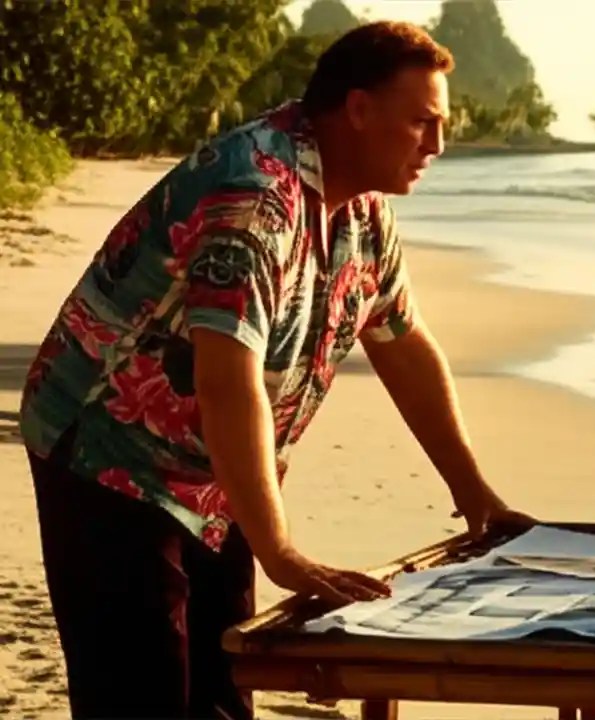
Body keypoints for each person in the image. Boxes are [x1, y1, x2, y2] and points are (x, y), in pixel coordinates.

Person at [19, 21, 533, 720]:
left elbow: (402, 342)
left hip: (213, 467)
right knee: (142, 691)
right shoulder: (254, 199)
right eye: (422, 123)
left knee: (226, 681)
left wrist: (476, 496)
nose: (438, 145)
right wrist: (281, 552)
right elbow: (226, 379)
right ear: (358, 110)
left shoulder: (363, 207)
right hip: (109, 450)